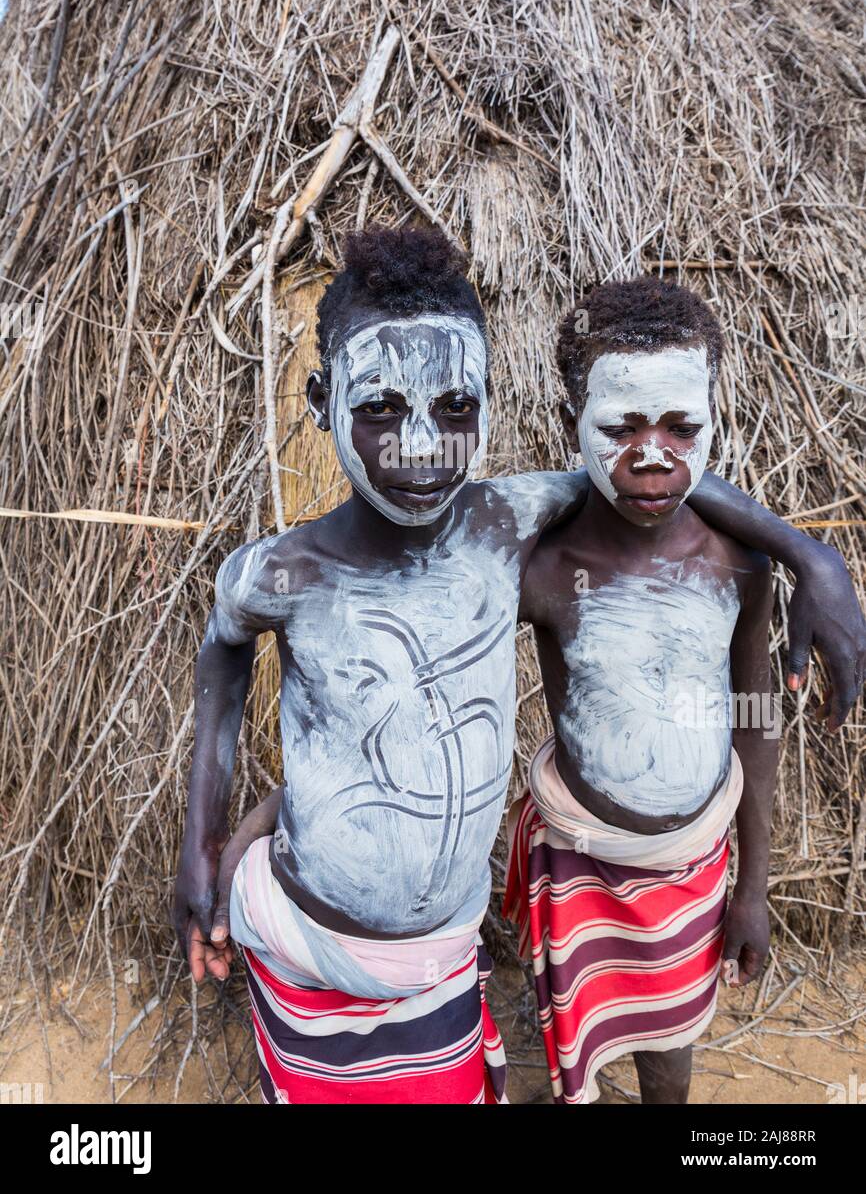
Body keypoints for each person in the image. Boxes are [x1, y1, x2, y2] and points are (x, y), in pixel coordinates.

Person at [174, 225, 866, 1105]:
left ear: (490, 401)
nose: (421, 446)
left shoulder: (534, 531)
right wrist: (205, 842)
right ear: (319, 401)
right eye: (381, 407)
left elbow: (659, 480)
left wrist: (813, 557)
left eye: (456, 408)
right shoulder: (299, 569)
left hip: (485, 944)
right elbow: (224, 649)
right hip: (316, 938)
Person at [505, 277, 787, 1103]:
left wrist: (754, 887)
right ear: (571, 427)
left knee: (670, 1058)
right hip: (579, 864)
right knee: (575, 1046)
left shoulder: (739, 564)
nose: (654, 453)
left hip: (692, 866)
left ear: (714, 419)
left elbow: (755, 719)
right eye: (619, 427)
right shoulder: (544, 572)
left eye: (681, 425)